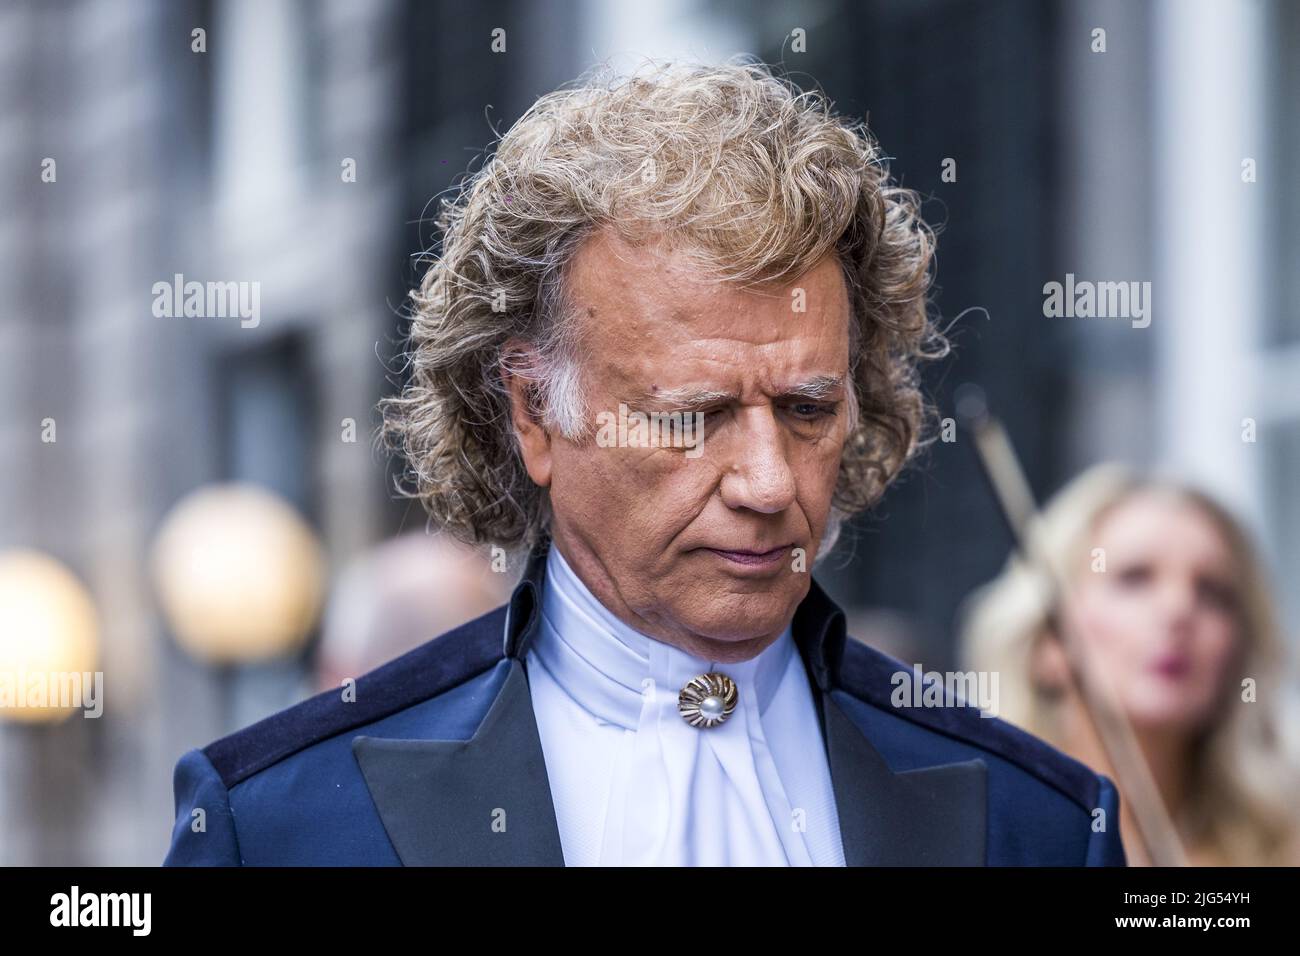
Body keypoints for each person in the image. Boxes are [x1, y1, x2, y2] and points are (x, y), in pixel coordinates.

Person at [164, 59, 1125, 866]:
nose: (769, 483)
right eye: (692, 417)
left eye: (806, 409)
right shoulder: (278, 822)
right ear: (535, 414)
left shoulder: (1036, 821)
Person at [960, 463, 1300, 865]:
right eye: (1134, 578)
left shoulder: (1282, 840)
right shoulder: (979, 831)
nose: (1179, 609)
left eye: (1212, 592)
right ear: (1048, 642)